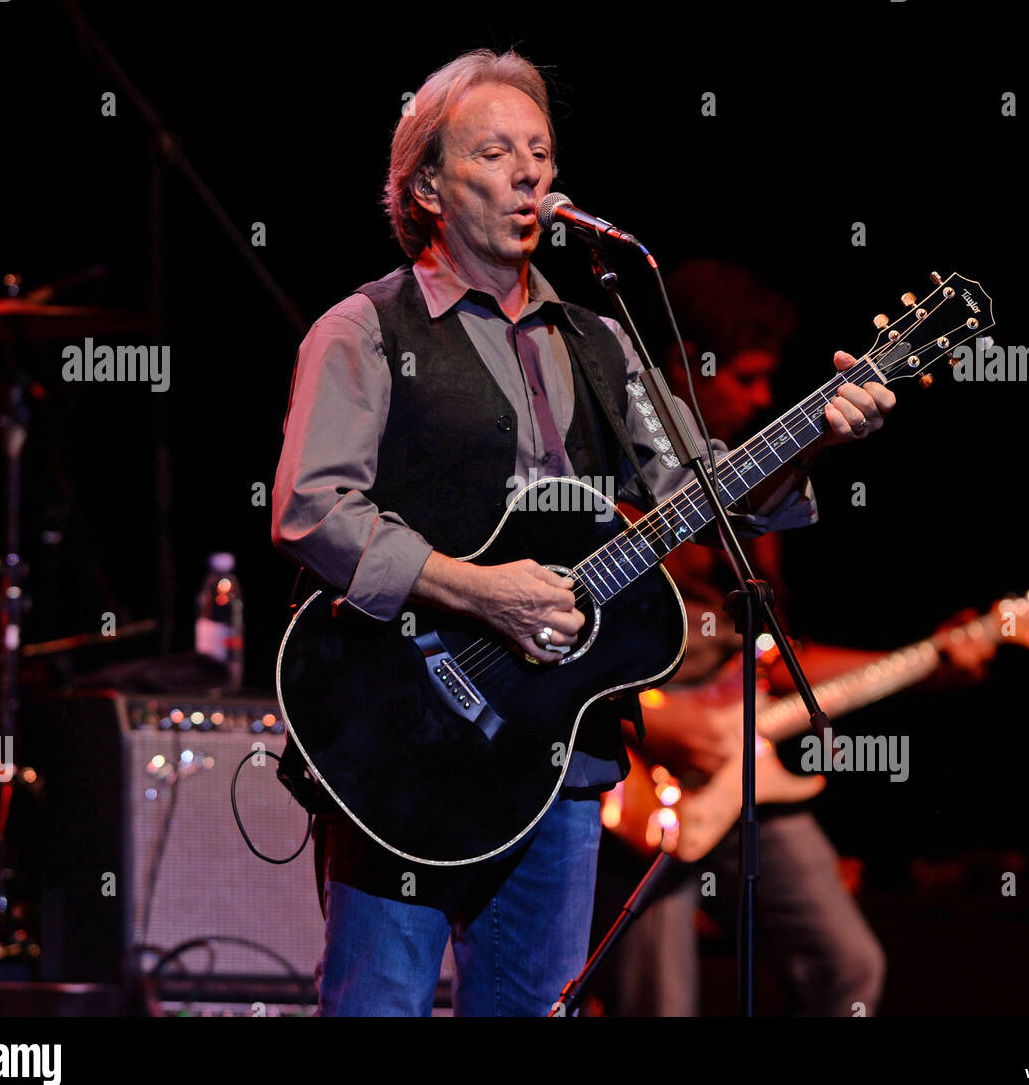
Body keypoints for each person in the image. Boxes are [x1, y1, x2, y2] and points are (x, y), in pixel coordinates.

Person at [271, 52, 895, 1016]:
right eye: (495, 153)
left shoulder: (602, 344)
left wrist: (814, 436)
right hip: (403, 736)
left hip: (559, 757)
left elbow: (709, 491)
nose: (530, 175)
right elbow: (312, 511)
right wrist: (476, 590)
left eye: (541, 154)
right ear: (428, 186)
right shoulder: (363, 329)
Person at [590, 259, 990, 1017]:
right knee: (659, 1003)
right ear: (683, 367)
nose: (762, 398)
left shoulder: (756, 500)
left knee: (850, 973)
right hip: (636, 774)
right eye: (742, 377)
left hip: (742, 770)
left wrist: (925, 662)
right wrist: (657, 724)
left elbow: (779, 662)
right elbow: (558, 633)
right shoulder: (611, 477)